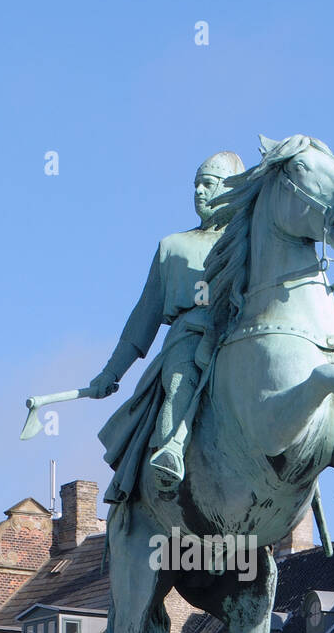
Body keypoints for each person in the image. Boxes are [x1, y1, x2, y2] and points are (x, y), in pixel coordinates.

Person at [90, 150, 245, 502]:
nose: (199, 192)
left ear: (230, 189)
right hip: (190, 335)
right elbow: (142, 318)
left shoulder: (250, 241)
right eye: (196, 185)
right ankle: (169, 454)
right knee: (181, 382)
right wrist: (110, 373)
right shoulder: (173, 247)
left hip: (241, 330)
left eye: (208, 184)